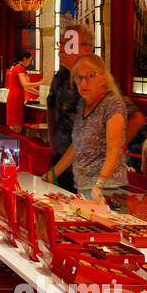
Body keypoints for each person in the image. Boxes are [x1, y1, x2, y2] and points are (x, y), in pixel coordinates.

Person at [44, 53, 128, 201]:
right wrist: (52, 174)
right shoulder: (83, 104)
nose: (83, 83)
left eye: (90, 76)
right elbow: (77, 146)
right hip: (83, 187)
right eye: (78, 77)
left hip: (108, 191)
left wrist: (99, 184)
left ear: (103, 78)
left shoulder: (113, 104)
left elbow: (114, 150)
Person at [45, 21, 94, 192]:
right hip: (62, 161)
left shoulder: (96, 80)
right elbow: (50, 108)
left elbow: (134, 116)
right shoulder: (60, 77)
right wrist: (54, 147)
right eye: (62, 43)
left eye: (69, 44)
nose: (62, 49)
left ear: (87, 49)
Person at [5, 50, 40, 132]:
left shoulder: (16, 67)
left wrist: (39, 93)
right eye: (30, 60)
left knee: (15, 125)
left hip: (14, 96)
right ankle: (15, 143)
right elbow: (25, 84)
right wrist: (40, 82)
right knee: (16, 126)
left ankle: (14, 142)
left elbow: (25, 87)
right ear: (24, 59)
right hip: (16, 98)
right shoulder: (20, 68)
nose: (30, 62)